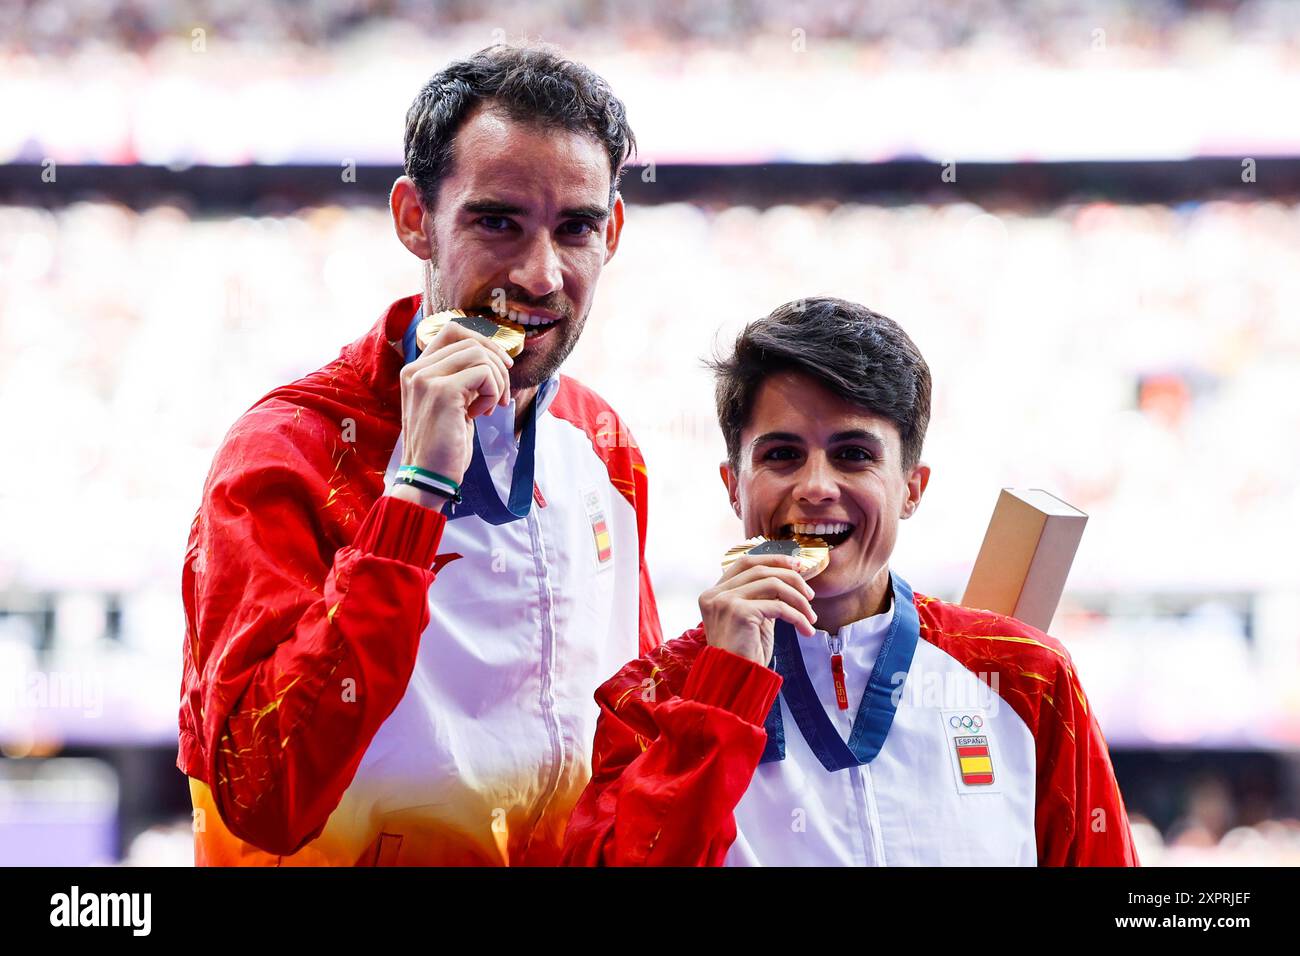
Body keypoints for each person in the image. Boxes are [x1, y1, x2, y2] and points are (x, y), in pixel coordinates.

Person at [178, 44, 662, 866]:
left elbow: (625, 755)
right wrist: (415, 492)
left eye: (575, 227)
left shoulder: (604, 445)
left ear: (611, 231)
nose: (541, 275)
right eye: (497, 220)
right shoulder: (286, 453)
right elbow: (262, 797)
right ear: (414, 219)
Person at [561, 297, 1139, 866]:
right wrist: (722, 693)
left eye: (854, 454)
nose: (816, 486)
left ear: (912, 487)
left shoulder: (1026, 675)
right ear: (732, 485)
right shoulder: (650, 697)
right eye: (782, 454)